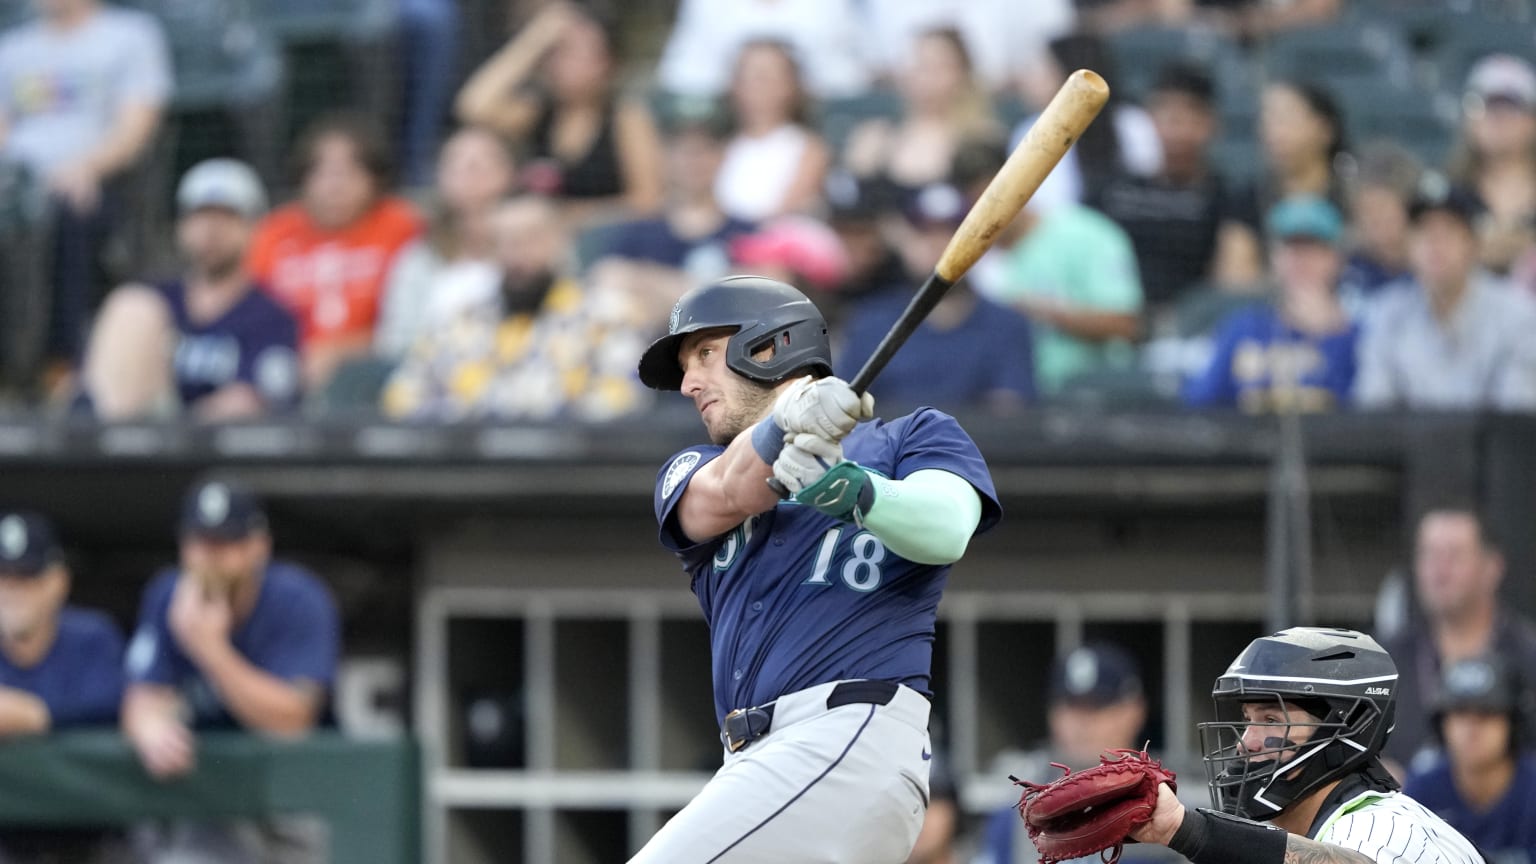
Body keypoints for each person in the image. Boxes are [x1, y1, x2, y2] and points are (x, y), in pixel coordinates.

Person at [629, 276, 1001, 861]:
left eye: (703, 355)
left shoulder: (911, 438)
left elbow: (948, 527)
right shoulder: (694, 465)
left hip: (848, 732)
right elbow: (731, 488)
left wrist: (856, 492)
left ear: (771, 346)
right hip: (753, 760)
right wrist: (791, 420)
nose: (688, 383)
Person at [1127, 626, 1484, 864]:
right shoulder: (1304, 828)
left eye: (1271, 720)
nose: (1245, 743)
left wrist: (1189, 831)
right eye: (1249, 719)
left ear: (1349, 724)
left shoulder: (1384, 827)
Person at [122, 478, 340, 863]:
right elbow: (142, 699)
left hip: (292, 800)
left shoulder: (298, 599)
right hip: (209, 800)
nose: (212, 557)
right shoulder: (166, 595)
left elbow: (292, 720)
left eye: (227, 544)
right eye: (202, 543)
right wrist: (149, 728)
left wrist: (211, 650)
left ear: (259, 546)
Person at [0, 0, 172, 371]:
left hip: (100, 180)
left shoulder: (130, 35)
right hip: (17, 181)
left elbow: (137, 126)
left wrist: (87, 169)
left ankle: (60, 362)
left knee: (69, 216)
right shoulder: (12, 47)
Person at [381, 195, 656, 421]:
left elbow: (625, 399)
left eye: (531, 238)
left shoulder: (610, 315)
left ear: (561, 242)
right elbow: (402, 396)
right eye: (505, 241)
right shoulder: (459, 320)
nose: (517, 253)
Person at [81, 159, 301, 421]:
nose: (210, 231)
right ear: (180, 227)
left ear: (254, 228)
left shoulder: (270, 316)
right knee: (132, 307)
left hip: (211, 448)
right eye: (200, 216)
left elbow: (251, 400)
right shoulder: (155, 300)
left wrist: (180, 431)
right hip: (137, 431)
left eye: (227, 217)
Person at [246, 112, 423, 392]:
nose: (335, 186)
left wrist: (345, 352)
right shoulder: (274, 232)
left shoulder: (402, 226)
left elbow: (415, 321)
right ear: (303, 178)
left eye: (350, 172)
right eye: (322, 172)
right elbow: (251, 312)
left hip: (378, 370)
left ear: (375, 179)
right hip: (284, 370)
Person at [975, 642, 1185, 864]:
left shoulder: (1173, 797)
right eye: (1071, 707)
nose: (1082, 723)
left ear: (1135, 711)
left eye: (1097, 707)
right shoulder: (1016, 807)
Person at [0, 510, 129, 864]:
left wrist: (35, 715)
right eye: (3, 578)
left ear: (57, 581)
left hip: (95, 842)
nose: (11, 591)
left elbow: (115, 705)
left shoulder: (93, 638)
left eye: (26, 578)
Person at [453, 2, 663, 219]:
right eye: (556, 52)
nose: (561, 63)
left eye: (574, 53)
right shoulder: (540, 111)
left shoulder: (626, 117)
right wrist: (534, 40)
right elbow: (473, 107)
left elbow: (647, 201)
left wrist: (563, 216)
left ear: (607, 62)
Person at [839, 182, 1034, 411]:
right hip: (889, 446)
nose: (937, 244)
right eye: (924, 232)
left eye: (952, 232)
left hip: (978, 447)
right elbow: (847, 411)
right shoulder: (871, 322)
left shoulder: (1006, 325)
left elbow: (1010, 415)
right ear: (905, 241)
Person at [1353, 174, 1536, 412]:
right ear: (1409, 244)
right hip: (1409, 449)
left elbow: (1518, 421)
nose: (1435, 244)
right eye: (1423, 231)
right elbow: (1373, 419)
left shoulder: (1518, 315)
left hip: (1491, 448)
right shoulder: (1384, 314)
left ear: (1473, 243)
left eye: (1449, 231)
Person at [1090, 62, 1262, 313]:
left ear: (1211, 123)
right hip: (1111, 317)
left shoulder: (1228, 200)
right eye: (1165, 113)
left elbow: (1232, 282)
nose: (1175, 128)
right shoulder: (1112, 191)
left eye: (1187, 115)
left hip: (1191, 326)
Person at [1378, 507, 1536, 774]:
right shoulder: (1385, 659)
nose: (1440, 570)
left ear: (1492, 567)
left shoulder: (1527, 656)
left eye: (1454, 555)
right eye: (1429, 554)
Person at [1182, 196, 1358, 412]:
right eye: (1292, 248)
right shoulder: (1244, 328)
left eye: (1312, 249)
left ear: (1335, 259)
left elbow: (1367, 412)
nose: (1301, 261)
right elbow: (1200, 403)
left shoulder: (1358, 332)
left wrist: (1333, 334)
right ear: (1275, 258)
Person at [374, 127, 517, 360]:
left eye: (478, 164)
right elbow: (396, 341)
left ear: (509, 172)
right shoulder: (419, 257)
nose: (467, 174)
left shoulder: (534, 245)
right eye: (455, 165)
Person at [842, 27, 1000, 202]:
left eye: (939, 66)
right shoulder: (874, 138)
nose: (926, 77)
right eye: (919, 65)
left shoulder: (980, 142)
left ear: (963, 73)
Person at [1404, 654, 1536, 860]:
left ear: (1513, 723)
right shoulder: (1421, 790)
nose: (1471, 730)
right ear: (1441, 724)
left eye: (1486, 714)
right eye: (1459, 714)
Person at [655, 0, 872, 100]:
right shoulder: (706, 5)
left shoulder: (831, 5)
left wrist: (791, 89)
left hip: (813, 120)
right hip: (728, 125)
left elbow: (851, 76)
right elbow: (681, 75)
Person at [713, 40, 830, 223]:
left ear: (792, 85)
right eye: (746, 75)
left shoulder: (808, 148)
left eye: (765, 77)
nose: (756, 86)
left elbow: (788, 210)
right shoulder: (721, 149)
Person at [1447, 54, 1536, 277]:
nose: (1499, 118)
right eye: (1487, 106)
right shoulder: (1449, 194)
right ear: (1469, 121)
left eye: (1511, 106)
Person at [1339, 141, 1421, 315]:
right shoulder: (1347, 265)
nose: (1374, 219)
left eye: (1383, 208)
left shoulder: (1431, 268)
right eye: (1366, 210)